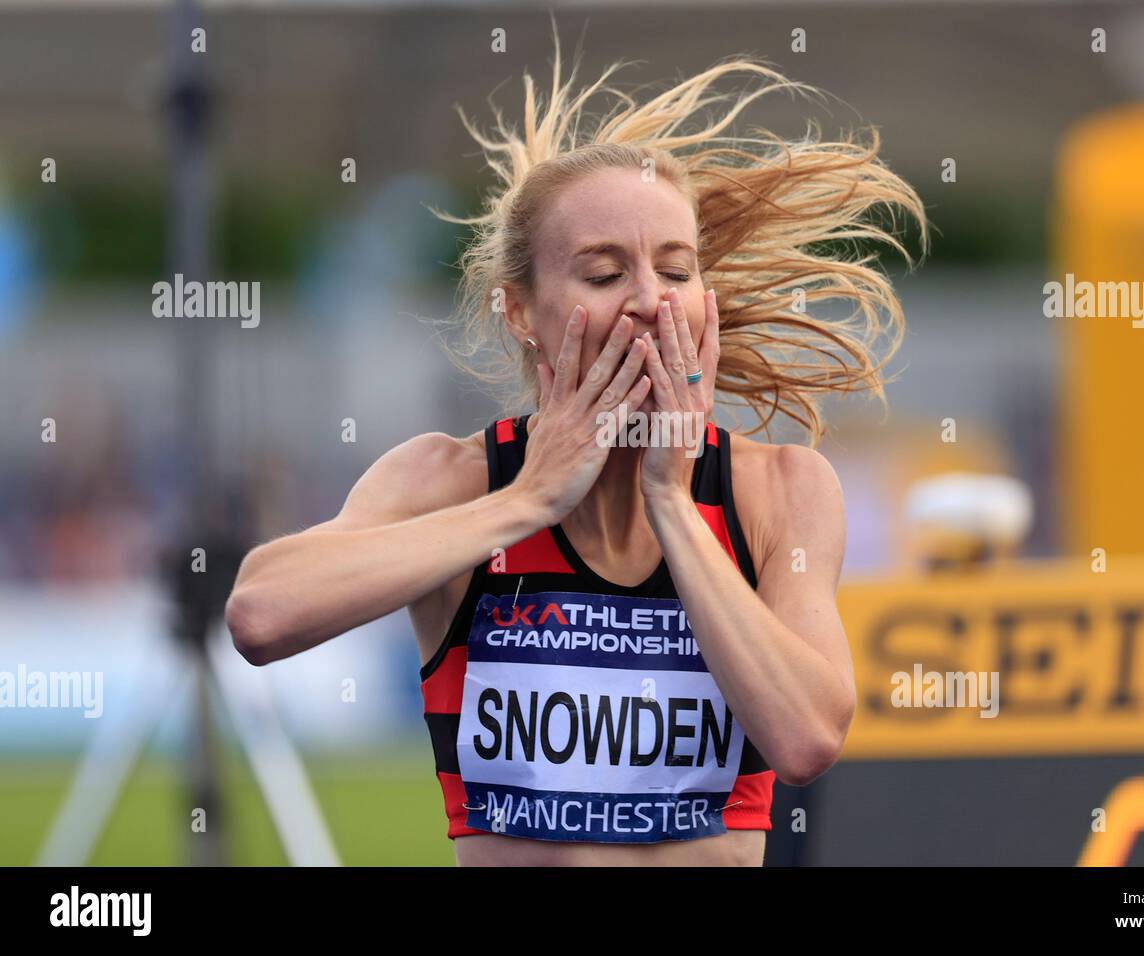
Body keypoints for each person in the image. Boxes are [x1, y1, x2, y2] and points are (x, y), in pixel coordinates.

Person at [225, 36, 926, 866]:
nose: (647, 300)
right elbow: (260, 614)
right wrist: (526, 503)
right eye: (602, 274)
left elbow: (808, 737)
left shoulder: (780, 491)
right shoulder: (454, 480)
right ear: (521, 312)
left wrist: (673, 502)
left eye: (675, 270)